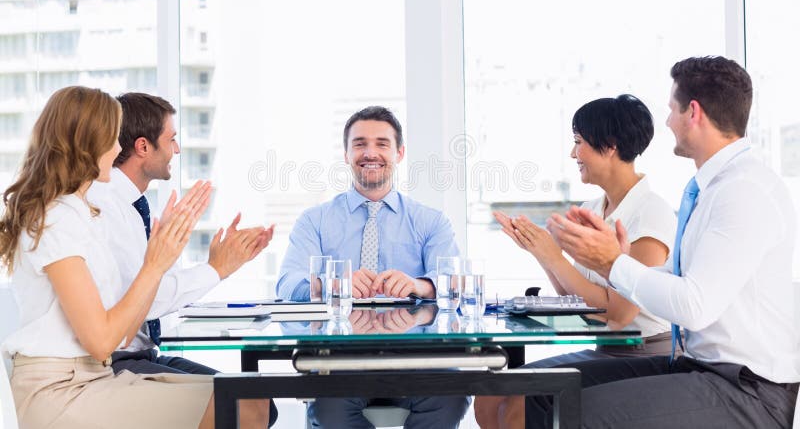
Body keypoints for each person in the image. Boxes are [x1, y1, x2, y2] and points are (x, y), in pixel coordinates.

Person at [523, 57, 798, 428]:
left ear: (693, 112)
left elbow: (695, 306)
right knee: (545, 396)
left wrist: (613, 265)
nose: (667, 121)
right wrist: (621, 259)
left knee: (576, 415)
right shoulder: (713, 188)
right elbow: (680, 277)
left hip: (747, 390)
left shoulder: (742, 191)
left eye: (672, 109)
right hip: (700, 367)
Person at [0, 86, 268, 428]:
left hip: (92, 376)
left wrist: (158, 263)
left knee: (251, 401)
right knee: (241, 408)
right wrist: (154, 264)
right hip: (60, 390)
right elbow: (101, 342)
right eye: (112, 138)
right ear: (87, 144)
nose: (117, 148)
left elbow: (124, 335)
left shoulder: (84, 212)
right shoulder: (56, 217)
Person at [475, 95, 677, 427]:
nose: (573, 153)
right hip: (607, 350)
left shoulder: (650, 214)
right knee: (490, 394)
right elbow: (578, 300)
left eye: (578, 142)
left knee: (520, 407)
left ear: (609, 146)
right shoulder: (595, 207)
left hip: (645, 353)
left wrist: (555, 256)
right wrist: (543, 253)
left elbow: (619, 312)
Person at [86, 92, 278, 425]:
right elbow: (144, 299)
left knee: (259, 401)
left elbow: (156, 288)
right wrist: (215, 270)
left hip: (144, 352)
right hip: (117, 361)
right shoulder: (108, 205)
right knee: (247, 408)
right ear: (143, 147)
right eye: (171, 139)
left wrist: (217, 264)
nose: (177, 149)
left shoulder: (134, 208)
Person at [276, 105, 469, 429]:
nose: (370, 153)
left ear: (399, 153)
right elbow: (286, 286)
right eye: (360, 143)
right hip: (338, 361)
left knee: (450, 395)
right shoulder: (315, 221)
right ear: (346, 153)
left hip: (419, 358)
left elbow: (454, 282)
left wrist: (418, 285)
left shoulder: (430, 221)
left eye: (382, 143)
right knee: (329, 409)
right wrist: (333, 284)